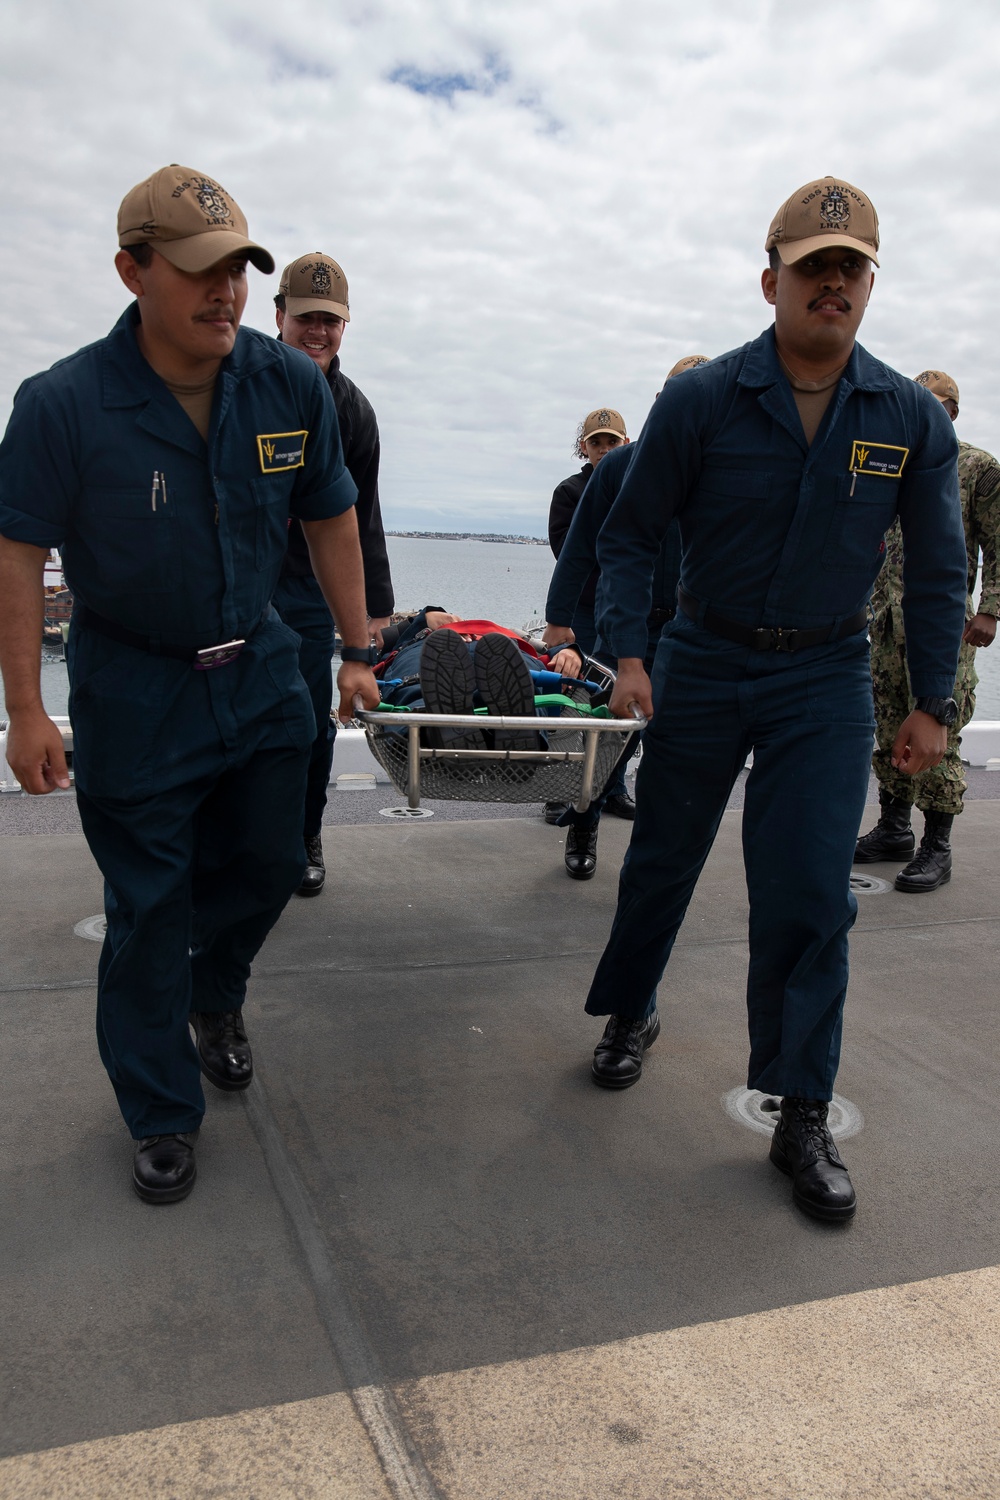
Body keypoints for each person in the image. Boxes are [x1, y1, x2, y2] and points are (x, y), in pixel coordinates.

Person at [580, 177, 967, 1223]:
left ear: (867, 286)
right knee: (662, 856)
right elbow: (628, 530)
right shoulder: (703, 399)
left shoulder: (906, 418)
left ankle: (800, 1107)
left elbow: (938, 571)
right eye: (812, 267)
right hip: (702, 658)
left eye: (851, 269)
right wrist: (626, 654)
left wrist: (929, 701)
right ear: (772, 279)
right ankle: (629, 1011)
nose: (831, 283)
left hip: (825, 680)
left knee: (808, 895)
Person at [0, 165, 379, 1205]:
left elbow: (330, 514)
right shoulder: (64, 404)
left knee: (267, 865)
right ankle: (161, 1107)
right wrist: (28, 708)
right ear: (133, 270)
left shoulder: (288, 384)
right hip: (134, 684)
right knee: (148, 906)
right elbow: (17, 553)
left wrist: (355, 648)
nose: (227, 294)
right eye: (202, 272)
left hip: (260, 671)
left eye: (239, 273)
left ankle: (217, 996)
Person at [542, 358, 710, 878]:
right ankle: (583, 822)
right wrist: (557, 619)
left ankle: (655, 852)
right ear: (663, 402)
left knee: (666, 740)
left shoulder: (723, 474)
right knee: (601, 728)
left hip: (686, 634)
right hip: (614, 628)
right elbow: (575, 552)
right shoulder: (617, 469)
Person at [273, 251, 394, 896]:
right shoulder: (241, 383)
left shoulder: (355, 413)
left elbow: (364, 516)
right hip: (242, 581)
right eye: (305, 318)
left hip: (312, 590)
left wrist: (372, 613)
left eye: (331, 320)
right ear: (278, 316)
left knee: (308, 722)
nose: (317, 331)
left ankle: (306, 835)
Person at [855, 369, 1000, 891]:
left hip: (945, 629)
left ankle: (937, 845)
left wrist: (991, 609)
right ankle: (894, 829)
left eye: (935, 405)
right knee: (889, 723)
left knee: (940, 724)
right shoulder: (891, 464)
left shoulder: (978, 468)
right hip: (885, 623)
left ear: (953, 411)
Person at [545, 407, 632, 827]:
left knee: (615, 702)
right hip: (583, 608)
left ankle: (613, 787)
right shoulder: (569, 492)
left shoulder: (638, 486)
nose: (604, 448)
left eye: (611, 442)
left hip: (622, 609)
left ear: (625, 443)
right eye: (596, 442)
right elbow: (567, 551)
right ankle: (558, 789)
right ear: (584, 447)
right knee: (574, 701)